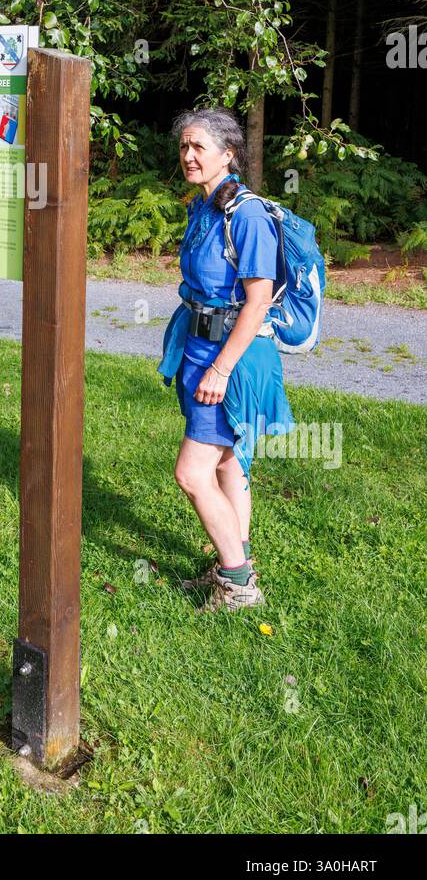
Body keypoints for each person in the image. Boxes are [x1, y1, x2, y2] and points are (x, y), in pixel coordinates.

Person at [157, 108, 296, 611]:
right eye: (184, 147)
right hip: (199, 349)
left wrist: (220, 369)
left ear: (229, 154)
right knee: (228, 465)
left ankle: (238, 585)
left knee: (192, 474)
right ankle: (235, 561)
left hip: (231, 358)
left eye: (199, 147)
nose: (189, 156)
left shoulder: (248, 214)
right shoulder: (204, 207)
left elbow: (258, 300)